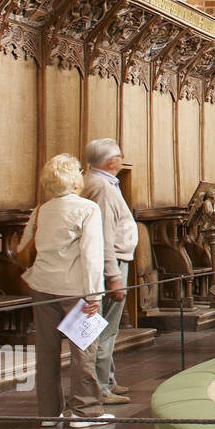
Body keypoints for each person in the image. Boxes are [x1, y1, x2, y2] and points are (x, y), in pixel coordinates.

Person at [20, 153, 111, 429]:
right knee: (84, 349)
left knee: (46, 352)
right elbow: (92, 255)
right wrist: (95, 294)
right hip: (75, 290)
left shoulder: (42, 209)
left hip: (42, 286)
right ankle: (85, 411)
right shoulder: (86, 209)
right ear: (74, 180)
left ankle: (48, 413)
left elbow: (25, 244)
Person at [82, 138, 138, 405]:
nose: (121, 158)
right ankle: (100, 387)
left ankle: (108, 380)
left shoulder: (100, 182)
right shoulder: (102, 187)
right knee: (104, 327)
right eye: (119, 154)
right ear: (109, 160)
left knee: (107, 326)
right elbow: (103, 235)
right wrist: (113, 275)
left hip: (114, 259)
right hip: (112, 262)